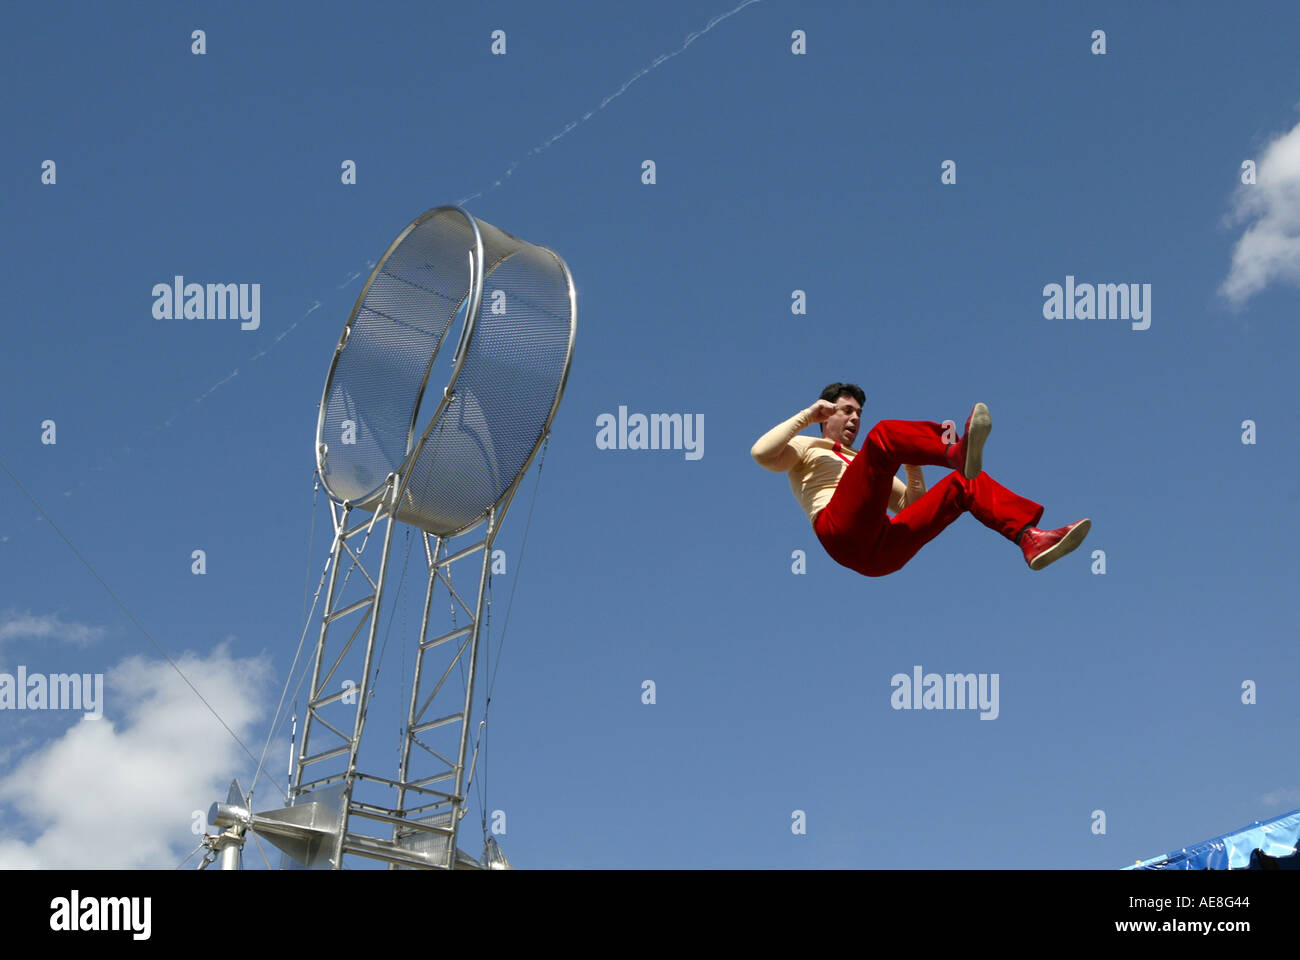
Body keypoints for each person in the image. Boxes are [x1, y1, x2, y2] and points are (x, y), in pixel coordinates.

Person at [750, 382, 1090, 576]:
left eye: (858, 413)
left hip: (882, 556)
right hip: (839, 532)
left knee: (963, 484)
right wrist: (809, 416)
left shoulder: (863, 462)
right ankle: (955, 451)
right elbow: (762, 454)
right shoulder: (809, 445)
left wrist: (912, 463)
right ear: (827, 414)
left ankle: (1028, 537)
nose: (855, 418)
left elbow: (912, 508)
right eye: (847, 410)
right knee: (884, 436)